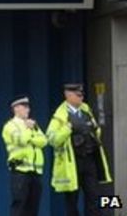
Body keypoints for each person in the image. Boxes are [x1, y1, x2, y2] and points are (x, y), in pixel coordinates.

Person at [46, 83, 112, 216]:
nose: (81, 98)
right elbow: (52, 139)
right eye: (78, 95)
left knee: (94, 195)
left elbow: (95, 130)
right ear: (68, 95)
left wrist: (95, 132)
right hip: (72, 164)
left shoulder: (86, 110)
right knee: (72, 201)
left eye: (82, 95)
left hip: (89, 160)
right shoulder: (60, 115)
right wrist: (67, 128)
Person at [2, 96, 47, 216]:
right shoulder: (10, 126)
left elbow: (43, 141)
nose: (28, 110)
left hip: (35, 171)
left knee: (33, 207)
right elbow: (21, 140)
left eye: (28, 107)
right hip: (20, 171)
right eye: (24, 107)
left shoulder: (32, 124)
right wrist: (29, 131)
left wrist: (30, 137)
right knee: (19, 206)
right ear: (16, 109)